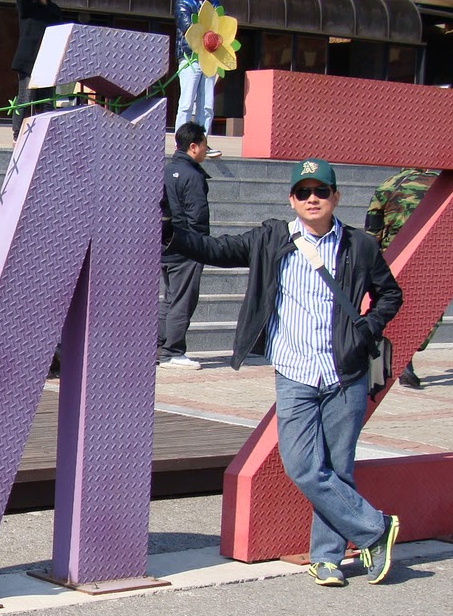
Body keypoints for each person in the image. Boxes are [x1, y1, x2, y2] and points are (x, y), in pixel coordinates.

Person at [165, 159, 404, 587]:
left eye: (321, 191)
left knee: (338, 468)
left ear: (336, 197)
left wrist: (365, 330)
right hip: (295, 372)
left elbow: (390, 294)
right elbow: (216, 249)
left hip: (344, 374)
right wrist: (169, 232)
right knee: (302, 467)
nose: (312, 199)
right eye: (303, 192)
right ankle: (375, 529)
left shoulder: (359, 246)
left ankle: (327, 558)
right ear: (291, 199)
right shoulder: (273, 237)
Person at [365, 167, 438, 388]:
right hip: (431, 259)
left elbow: (372, 232)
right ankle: (406, 357)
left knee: (395, 310)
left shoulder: (388, 184)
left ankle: (400, 359)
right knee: (430, 312)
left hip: (393, 260)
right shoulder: (438, 183)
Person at [158, 122, 213, 370]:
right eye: (204, 145)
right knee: (182, 301)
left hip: (165, 246)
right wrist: (202, 247)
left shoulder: (166, 171)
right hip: (186, 247)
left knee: (170, 299)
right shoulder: (193, 176)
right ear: (193, 146)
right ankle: (173, 351)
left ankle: (160, 347)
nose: (205, 150)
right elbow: (197, 217)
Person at [10, 0, 68, 138]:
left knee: (47, 102)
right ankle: (16, 134)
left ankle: (45, 136)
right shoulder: (27, 6)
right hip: (28, 62)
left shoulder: (54, 10)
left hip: (48, 63)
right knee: (25, 99)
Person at [173, 0, 221, 153]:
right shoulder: (183, 3)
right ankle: (181, 144)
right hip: (190, 58)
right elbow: (188, 28)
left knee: (207, 104)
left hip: (209, 59)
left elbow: (220, 26)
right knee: (186, 103)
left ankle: (203, 142)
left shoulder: (214, 3)